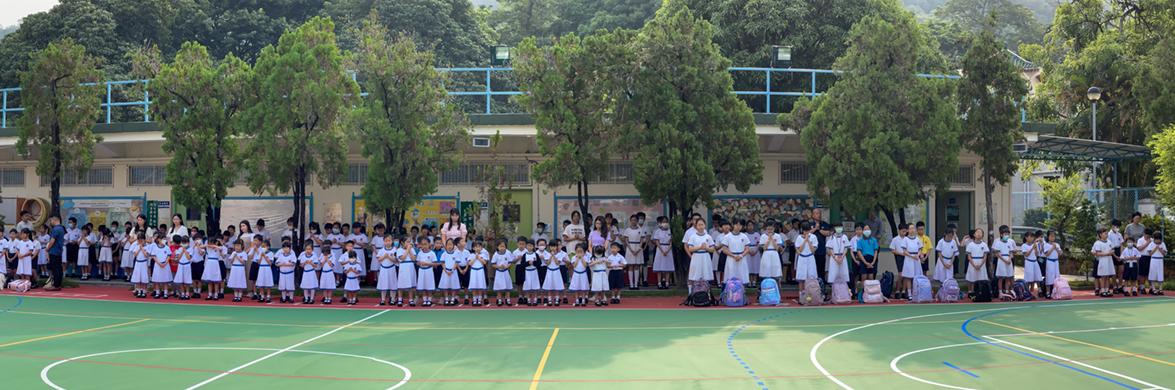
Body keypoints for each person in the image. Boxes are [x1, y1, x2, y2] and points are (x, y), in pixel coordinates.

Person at [685, 219, 715, 292]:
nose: (701, 226)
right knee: (694, 275)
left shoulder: (708, 237)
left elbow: (713, 249)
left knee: (706, 276)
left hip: (705, 257)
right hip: (696, 257)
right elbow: (690, 249)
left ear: (705, 225)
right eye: (699, 225)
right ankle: (691, 294)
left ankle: (707, 294)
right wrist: (700, 247)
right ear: (696, 226)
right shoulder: (693, 237)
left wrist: (706, 248)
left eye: (702, 224)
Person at [722, 219, 751, 285]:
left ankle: (742, 294)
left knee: (742, 277)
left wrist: (741, 255)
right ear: (733, 225)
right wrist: (733, 256)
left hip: (741, 258)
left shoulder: (744, 236)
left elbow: (747, 249)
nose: (738, 226)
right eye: (736, 225)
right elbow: (724, 250)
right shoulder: (727, 236)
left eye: (740, 225)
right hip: (731, 259)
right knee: (731, 277)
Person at [900, 223, 924, 300]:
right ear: (907, 230)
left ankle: (916, 293)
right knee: (908, 277)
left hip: (916, 259)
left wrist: (918, 255)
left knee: (916, 277)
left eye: (913, 228)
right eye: (910, 228)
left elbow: (920, 249)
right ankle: (909, 294)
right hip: (909, 259)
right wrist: (911, 256)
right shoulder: (905, 239)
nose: (912, 230)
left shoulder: (917, 239)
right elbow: (904, 251)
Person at [621, 216, 646, 290]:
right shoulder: (627, 230)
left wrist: (638, 249)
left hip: (638, 247)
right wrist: (631, 249)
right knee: (630, 266)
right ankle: (631, 284)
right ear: (630, 221)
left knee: (637, 266)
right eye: (632, 220)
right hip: (630, 248)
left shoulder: (640, 230)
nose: (633, 221)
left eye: (635, 220)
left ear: (637, 221)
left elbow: (642, 240)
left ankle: (636, 284)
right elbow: (626, 240)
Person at [991, 226, 1017, 296]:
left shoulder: (1010, 242)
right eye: (1005, 234)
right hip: (1001, 261)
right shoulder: (998, 242)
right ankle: (1000, 292)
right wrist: (1004, 260)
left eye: (1008, 234)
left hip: (1009, 261)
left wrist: (1009, 259)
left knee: (1008, 277)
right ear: (1001, 234)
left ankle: (1007, 291)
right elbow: (997, 253)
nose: (1007, 236)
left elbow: (1011, 252)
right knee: (1001, 277)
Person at [826, 224, 852, 290]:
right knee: (833, 275)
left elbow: (846, 248)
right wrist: (835, 257)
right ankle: (834, 293)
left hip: (842, 257)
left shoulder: (844, 237)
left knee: (843, 275)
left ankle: (844, 292)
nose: (839, 228)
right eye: (837, 227)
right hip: (834, 258)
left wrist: (842, 257)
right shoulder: (831, 237)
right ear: (834, 228)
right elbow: (830, 248)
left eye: (840, 227)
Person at [651, 217, 674, 289]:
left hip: (668, 249)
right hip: (660, 249)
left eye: (666, 222)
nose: (665, 223)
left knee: (667, 266)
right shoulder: (657, 231)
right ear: (660, 223)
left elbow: (671, 242)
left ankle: (667, 282)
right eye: (663, 222)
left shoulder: (670, 231)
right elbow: (657, 241)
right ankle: (659, 283)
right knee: (659, 266)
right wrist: (662, 250)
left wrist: (667, 250)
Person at [540, 238, 564, 306]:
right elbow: (547, 263)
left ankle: (557, 300)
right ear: (549, 247)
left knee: (557, 287)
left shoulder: (559, 254)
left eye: (554, 246)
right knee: (549, 287)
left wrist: (554, 256)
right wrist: (551, 256)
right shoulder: (547, 254)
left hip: (556, 272)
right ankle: (549, 300)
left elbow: (557, 263)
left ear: (556, 247)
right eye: (551, 246)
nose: (553, 248)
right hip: (549, 272)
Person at [964, 228, 990, 293]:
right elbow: (969, 257)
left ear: (982, 235)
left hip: (981, 263)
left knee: (981, 279)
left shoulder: (984, 244)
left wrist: (980, 265)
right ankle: (971, 292)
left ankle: (980, 292)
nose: (978, 234)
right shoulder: (970, 245)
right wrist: (974, 265)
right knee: (972, 278)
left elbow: (985, 257)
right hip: (972, 263)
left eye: (980, 232)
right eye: (977, 232)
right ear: (974, 234)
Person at [1092, 228, 1115, 297]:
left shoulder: (1109, 242)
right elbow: (1098, 253)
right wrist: (1107, 253)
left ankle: (1107, 290)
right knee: (1103, 277)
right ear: (1100, 235)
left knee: (1107, 276)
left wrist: (1111, 252)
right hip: (1102, 261)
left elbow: (1112, 250)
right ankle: (1102, 291)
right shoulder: (1098, 243)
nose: (1106, 235)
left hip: (1109, 260)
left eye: (1107, 233)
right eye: (1105, 233)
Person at [795, 221, 820, 285]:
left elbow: (813, 251)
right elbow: (799, 250)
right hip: (802, 258)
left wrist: (808, 241)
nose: (806, 232)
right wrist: (804, 240)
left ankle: (811, 293)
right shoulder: (799, 237)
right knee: (801, 279)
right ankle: (801, 294)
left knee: (811, 277)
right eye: (805, 231)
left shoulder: (813, 237)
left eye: (808, 231)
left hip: (810, 258)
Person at [374, 237, 397, 306]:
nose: (387, 242)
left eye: (389, 241)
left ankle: (392, 299)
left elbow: (395, 260)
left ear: (392, 241)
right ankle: (383, 299)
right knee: (383, 284)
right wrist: (385, 256)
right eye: (386, 241)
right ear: (384, 242)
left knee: (392, 284)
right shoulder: (381, 250)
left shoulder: (394, 249)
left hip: (391, 268)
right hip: (383, 269)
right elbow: (379, 259)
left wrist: (389, 257)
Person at [150, 234, 174, 299]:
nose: (164, 241)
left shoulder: (167, 247)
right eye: (162, 239)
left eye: (164, 239)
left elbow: (169, 256)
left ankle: (165, 293)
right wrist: (159, 263)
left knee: (165, 280)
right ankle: (157, 293)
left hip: (165, 265)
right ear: (158, 240)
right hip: (158, 265)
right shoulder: (155, 247)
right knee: (157, 280)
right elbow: (154, 256)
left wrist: (165, 263)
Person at [414, 238, 437, 307]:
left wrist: (427, 264)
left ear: (429, 245)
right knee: (423, 286)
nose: (424, 246)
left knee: (429, 286)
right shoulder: (420, 253)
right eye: (422, 244)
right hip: (421, 271)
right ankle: (425, 300)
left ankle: (429, 300)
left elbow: (435, 264)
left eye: (426, 244)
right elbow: (417, 262)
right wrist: (419, 263)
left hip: (429, 271)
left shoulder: (432, 253)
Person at [492, 240, 514, 306]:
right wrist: (499, 266)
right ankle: (499, 299)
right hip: (499, 272)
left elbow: (510, 262)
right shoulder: (495, 254)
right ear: (497, 247)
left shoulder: (507, 253)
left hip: (506, 272)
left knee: (507, 286)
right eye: (500, 246)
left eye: (503, 246)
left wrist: (506, 266)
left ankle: (508, 299)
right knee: (499, 287)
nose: (502, 248)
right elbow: (493, 264)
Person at [467, 240, 488, 306]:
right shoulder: (471, 255)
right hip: (473, 271)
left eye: (479, 247)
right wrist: (475, 258)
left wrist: (479, 258)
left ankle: (479, 299)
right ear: (473, 248)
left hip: (480, 271)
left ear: (481, 248)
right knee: (474, 285)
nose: (477, 248)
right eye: (476, 247)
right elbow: (470, 263)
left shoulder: (483, 255)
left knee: (480, 285)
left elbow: (484, 263)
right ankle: (474, 299)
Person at [128, 233, 150, 297]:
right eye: (139, 240)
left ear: (144, 240)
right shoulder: (136, 245)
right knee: (138, 277)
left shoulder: (147, 246)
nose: (140, 242)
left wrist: (142, 248)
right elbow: (135, 255)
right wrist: (139, 248)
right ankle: (139, 290)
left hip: (144, 263)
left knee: (143, 277)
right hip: (138, 263)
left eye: (141, 240)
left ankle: (144, 291)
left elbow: (146, 255)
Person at [172, 236, 194, 300]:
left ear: (188, 242)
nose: (184, 244)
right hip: (180, 265)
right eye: (183, 242)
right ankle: (182, 293)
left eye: (186, 242)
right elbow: (178, 259)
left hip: (187, 265)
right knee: (181, 281)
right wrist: (182, 251)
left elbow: (189, 258)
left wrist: (185, 251)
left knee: (187, 281)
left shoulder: (191, 249)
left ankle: (187, 294)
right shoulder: (179, 249)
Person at [521, 240, 541, 306]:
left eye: (531, 246)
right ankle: (528, 300)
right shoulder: (524, 255)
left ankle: (535, 300)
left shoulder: (536, 254)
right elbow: (522, 265)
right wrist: (528, 263)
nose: (530, 247)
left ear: (533, 247)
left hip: (534, 272)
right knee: (527, 287)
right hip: (527, 272)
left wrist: (534, 263)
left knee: (535, 287)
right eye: (528, 246)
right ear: (526, 246)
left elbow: (539, 264)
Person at [1042, 230, 1062, 298]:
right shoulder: (1046, 245)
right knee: (1049, 277)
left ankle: (1056, 292)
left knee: (1057, 277)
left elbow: (1060, 253)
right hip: (1050, 262)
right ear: (1048, 237)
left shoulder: (1057, 244)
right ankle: (1048, 292)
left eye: (1054, 236)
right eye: (1051, 236)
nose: (1053, 237)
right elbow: (1047, 254)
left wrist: (1056, 248)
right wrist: (1052, 248)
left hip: (1056, 262)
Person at [318, 240, 338, 305]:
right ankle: (325, 298)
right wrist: (324, 259)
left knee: (329, 287)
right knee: (324, 287)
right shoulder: (322, 255)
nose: (325, 254)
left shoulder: (332, 255)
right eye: (324, 253)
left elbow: (332, 265)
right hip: (324, 272)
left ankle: (329, 298)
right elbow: (321, 265)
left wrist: (327, 259)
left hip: (329, 272)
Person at [1108, 219, 1124, 294]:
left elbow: (1121, 245)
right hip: (1112, 252)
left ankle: (1120, 286)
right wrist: (1115, 256)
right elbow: (1110, 247)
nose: (1117, 228)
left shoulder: (1119, 234)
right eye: (1116, 226)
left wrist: (1121, 255)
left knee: (1121, 270)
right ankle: (1114, 287)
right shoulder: (1108, 234)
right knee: (1114, 271)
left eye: (1118, 226)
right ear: (1112, 225)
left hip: (1119, 252)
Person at [745, 220, 761, 288]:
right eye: (748, 225)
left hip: (755, 251)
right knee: (748, 266)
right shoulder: (745, 235)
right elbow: (744, 244)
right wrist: (748, 251)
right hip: (747, 251)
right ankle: (749, 281)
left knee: (755, 266)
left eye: (751, 225)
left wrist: (755, 250)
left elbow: (759, 244)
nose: (750, 227)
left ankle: (754, 282)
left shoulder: (757, 234)